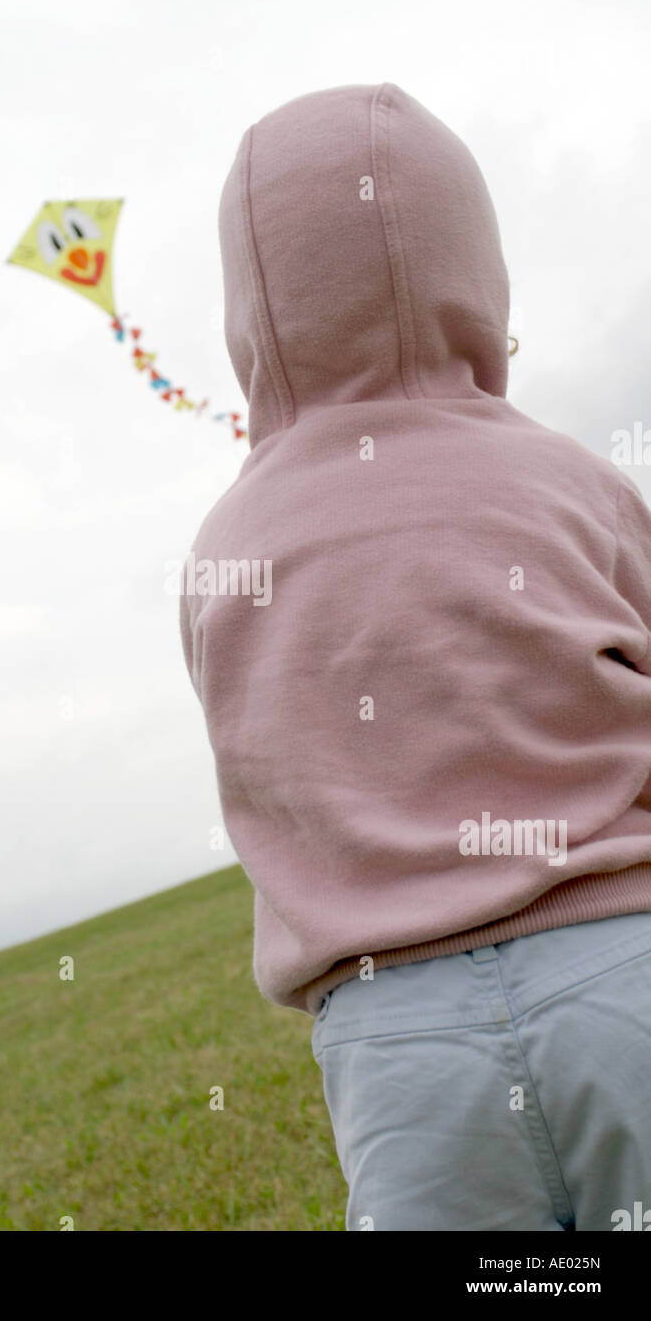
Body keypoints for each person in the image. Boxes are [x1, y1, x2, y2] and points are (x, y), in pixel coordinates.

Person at [178, 83, 651, 1232]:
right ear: (472, 278)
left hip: (394, 1039)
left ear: (252, 316)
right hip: (620, 973)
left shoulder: (223, 550)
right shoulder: (567, 480)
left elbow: (262, 778)